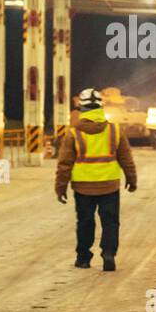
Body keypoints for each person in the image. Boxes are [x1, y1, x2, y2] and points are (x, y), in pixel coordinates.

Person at [55, 87, 137, 271]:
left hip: (83, 187)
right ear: (100, 107)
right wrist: (132, 179)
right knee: (110, 221)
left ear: (82, 109)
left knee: (85, 221)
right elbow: (126, 158)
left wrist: (60, 187)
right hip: (109, 185)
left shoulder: (73, 133)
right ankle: (108, 253)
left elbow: (64, 164)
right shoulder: (114, 130)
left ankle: (83, 257)